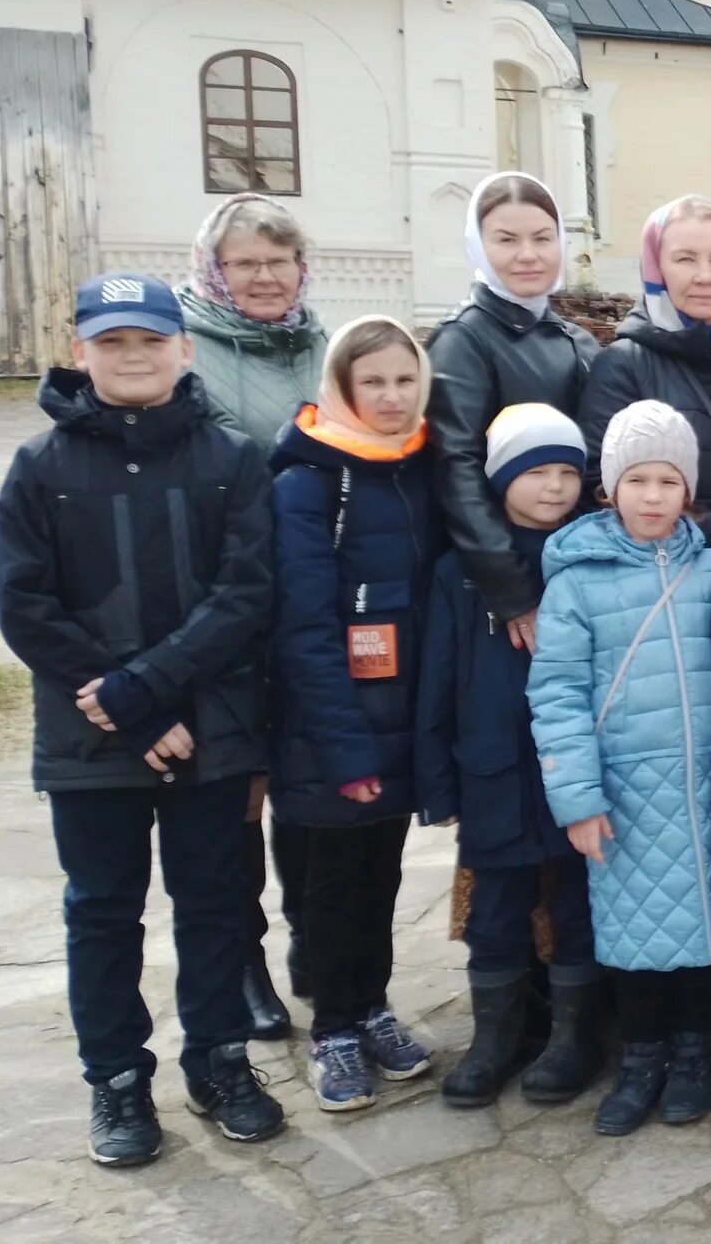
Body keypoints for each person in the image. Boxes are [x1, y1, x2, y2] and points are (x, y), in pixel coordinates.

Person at [0, 272, 285, 1166]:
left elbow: (246, 591)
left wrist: (153, 689)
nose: (133, 358)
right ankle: (117, 1081)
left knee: (213, 904)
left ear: (183, 349)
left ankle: (220, 1060)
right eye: (113, 342)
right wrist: (125, 703)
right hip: (91, 739)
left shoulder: (231, 459)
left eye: (150, 341)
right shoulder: (40, 468)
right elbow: (25, 605)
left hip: (209, 728)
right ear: (80, 351)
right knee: (103, 913)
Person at [529, 400, 711, 1137]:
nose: (652, 496)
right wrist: (577, 796)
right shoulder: (577, 583)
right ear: (610, 487)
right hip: (623, 791)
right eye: (637, 480)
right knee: (631, 932)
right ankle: (641, 1055)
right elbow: (556, 692)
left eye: (667, 481)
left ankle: (696, 1050)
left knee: (703, 929)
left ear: (689, 491)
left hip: (705, 782)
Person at [267, 316, 445, 1112]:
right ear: (341, 386)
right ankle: (333, 1030)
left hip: (397, 715)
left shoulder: (418, 467)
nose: (391, 397)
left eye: (404, 381)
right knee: (332, 886)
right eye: (371, 382)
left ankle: (371, 1007)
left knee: (381, 875)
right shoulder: (309, 482)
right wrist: (344, 748)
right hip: (331, 730)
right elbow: (302, 628)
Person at [414, 403, 604, 1110]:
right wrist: (437, 781)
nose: (553, 487)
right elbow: (436, 679)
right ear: (499, 481)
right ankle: (497, 1035)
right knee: (497, 908)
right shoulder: (460, 573)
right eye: (535, 472)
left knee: (577, 904)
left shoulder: (591, 557)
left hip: (576, 774)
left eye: (566, 472)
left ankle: (572, 1035)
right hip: (491, 768)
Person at [178, 192, 329, 1044]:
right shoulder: (191, 351)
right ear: (216, 270)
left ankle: (313, 933)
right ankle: (244, 963)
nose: (265, 277)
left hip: (312, 601)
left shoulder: (321, 344)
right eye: (245, 263)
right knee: (237, 789)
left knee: (308, 780)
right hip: (228, 601)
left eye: (278, 261)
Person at [427, 172, 600, 641]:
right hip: (498, 588)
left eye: (542, 238)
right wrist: (512, 591)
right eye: (506, 240)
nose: (528, 254)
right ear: (479, 247)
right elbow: (455, 466)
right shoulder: (463, 341)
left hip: (573, 567)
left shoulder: (576, 341)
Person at [579, 195, 711, 550]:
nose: (704, 276)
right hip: (671, 568)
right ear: (656, 267)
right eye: (685, 259)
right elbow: (599, 481)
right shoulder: (626, 365)